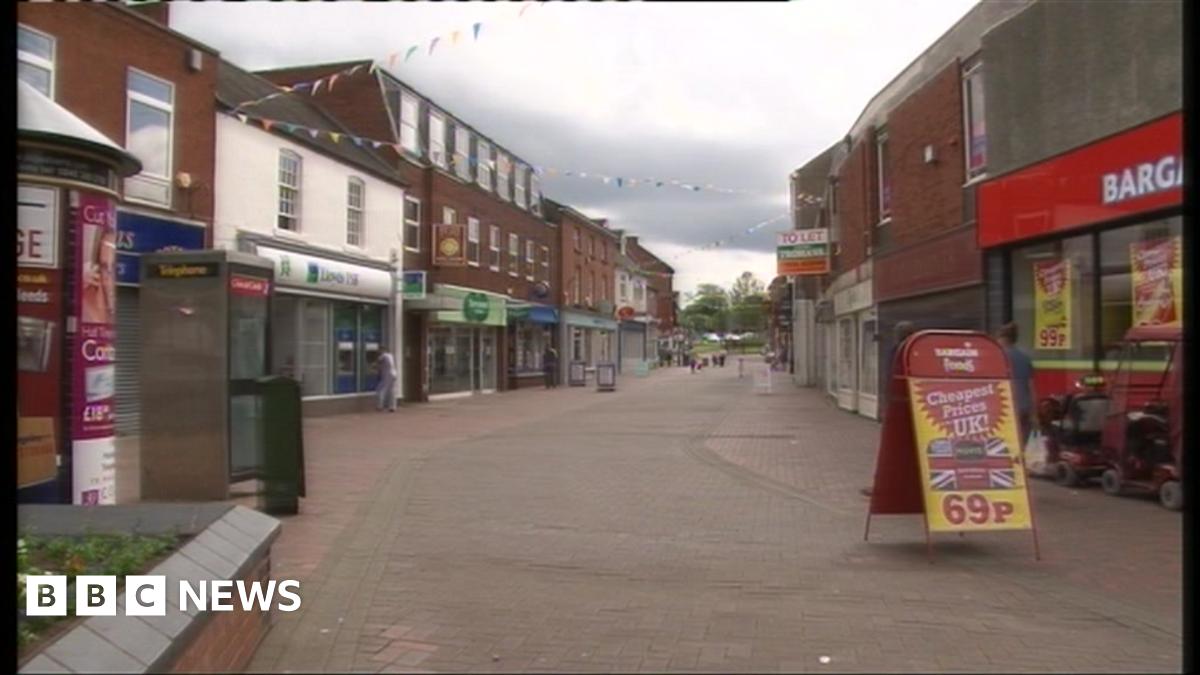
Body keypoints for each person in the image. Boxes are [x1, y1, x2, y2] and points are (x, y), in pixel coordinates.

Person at [998, 322, 1036, 447]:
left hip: (1006, 409)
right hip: (1024, 407)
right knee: (1021, 445)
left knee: (1006, 446)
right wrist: (1033, 412)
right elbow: (1031, 387)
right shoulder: (1025, 358)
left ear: (1003, 338)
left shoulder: (999, 357)